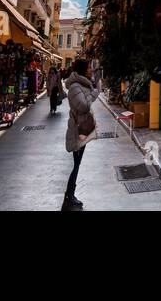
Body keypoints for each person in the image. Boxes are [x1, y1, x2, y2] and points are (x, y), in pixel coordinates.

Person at [63, 58, 100, 210]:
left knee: (77, 164)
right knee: (76, 164)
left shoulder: (82, 85)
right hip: (78, 130)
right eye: (89, 68)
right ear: (83, 70)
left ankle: (70, 194)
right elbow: (84, 105)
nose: (91, 70)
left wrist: (94, 91)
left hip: (82, 129)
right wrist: (95, 92)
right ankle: (69, 195)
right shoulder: (75, 87)